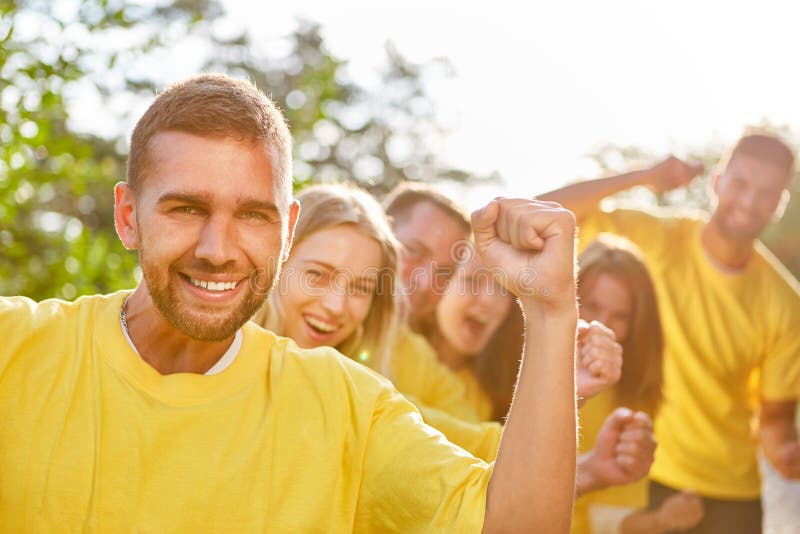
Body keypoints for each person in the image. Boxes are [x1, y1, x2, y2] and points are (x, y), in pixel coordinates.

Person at [0, 73, 580, 531]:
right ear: (129, 217)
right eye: (187, 209)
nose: (217, 250)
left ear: (287, 231)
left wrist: (551, 312)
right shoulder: (15, 346)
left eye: (253, 215)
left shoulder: (347, 406)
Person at [540, 133, 800, 533]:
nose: (749, 202)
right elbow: (546, 212)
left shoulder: (785, 303)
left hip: (735, 496)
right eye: (740, 183)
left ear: (779, 205)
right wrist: (643, 176)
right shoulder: (656, 237)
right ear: (717, 182)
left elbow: (775, 419)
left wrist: (785, 453)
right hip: (643, 473)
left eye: (766, 193)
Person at [252, 184, 480, 422]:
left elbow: (471, 435)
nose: (425, 283)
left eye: (361, 288)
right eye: (414, 252)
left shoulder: (397, 368)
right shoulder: (233, 358)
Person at [573, 237, 704, 533]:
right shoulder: (515, 364)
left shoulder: (631, 398)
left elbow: (608, 519)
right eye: (591, 306)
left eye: (620, 316)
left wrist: (662, 521)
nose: (602, 326)